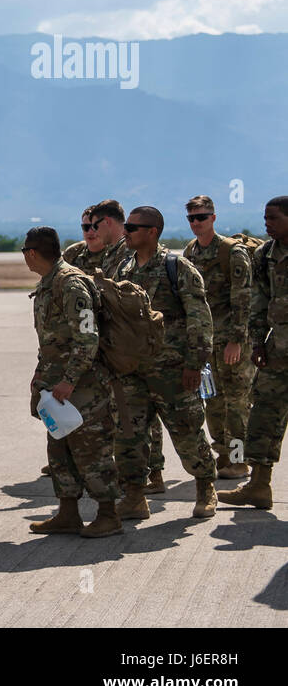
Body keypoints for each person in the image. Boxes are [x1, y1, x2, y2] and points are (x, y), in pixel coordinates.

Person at [110, 206, 218, 520]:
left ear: (152, 232)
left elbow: (200, 319)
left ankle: (204, 486)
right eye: (126, 226)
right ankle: (133, 496)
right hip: (132, 372)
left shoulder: (177, 267)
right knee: (128, 435)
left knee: (186, 432)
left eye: (132, 227)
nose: (126, 232)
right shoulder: (125, 270)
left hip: (172, 371)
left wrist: (194, 364)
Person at [22, 227, 123, 536]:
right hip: (57, 386)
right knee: (60, 450)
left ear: (32, 253)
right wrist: (41, 381)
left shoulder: (71, 284)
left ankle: (108, 515)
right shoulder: (49, 283)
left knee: (92, 452)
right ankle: (68, 513)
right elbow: (52, 342)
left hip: (83, 387)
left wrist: (68, 380)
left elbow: (87, 339)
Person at [220, 196, 288, 510]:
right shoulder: (264, 254)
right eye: (265, 217)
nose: (266, 223)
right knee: (264, 415)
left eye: (273, 217)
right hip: (279, 351)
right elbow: (258, 302)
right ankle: (259, 486)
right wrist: (258, 343)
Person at [93, 198, 165, 489]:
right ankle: (137, 483)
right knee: (130, 420)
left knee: (166, 421)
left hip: (155, 353)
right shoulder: (120, 260)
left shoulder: (143, 255)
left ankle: (160, 474)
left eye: (95, 225)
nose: (92, 231)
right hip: (127, 354)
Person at [183, 195, 255, 480]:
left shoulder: (231, 252)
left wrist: (236, 340)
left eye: (202, 217)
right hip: (205, 344)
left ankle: (240, 461)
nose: (196, 223)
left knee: (236, 403)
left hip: (231, 343)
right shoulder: (190, 252)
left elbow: (243, 300)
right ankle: (223, 457)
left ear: (214, 217)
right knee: (211, 399)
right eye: (191, 218)